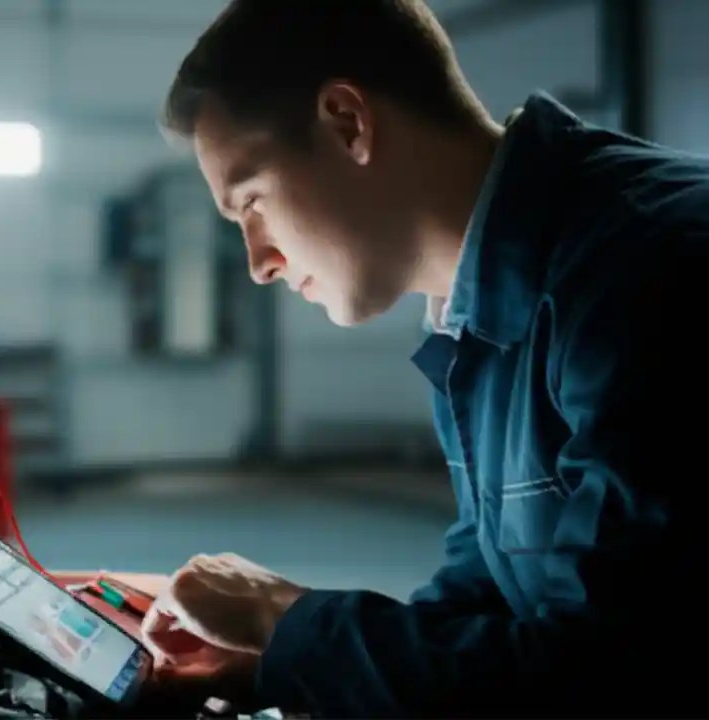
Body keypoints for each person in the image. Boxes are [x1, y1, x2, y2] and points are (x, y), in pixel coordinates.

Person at [140, 0, 709, 716]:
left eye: (251, 201)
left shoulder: (648, 268)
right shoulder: (478, 317)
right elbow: (489, 610)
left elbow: (606, 677)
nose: (258, 264)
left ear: (347, 122)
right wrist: (269, 665)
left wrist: (285, 618)